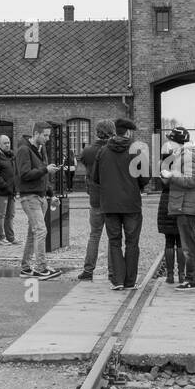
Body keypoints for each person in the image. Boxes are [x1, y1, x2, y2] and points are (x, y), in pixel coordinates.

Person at [92, 118, 150, 289]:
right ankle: (130, 281)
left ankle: (118, 280)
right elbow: (145, 178)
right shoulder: (136, 151)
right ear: (129, 133)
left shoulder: (102, 152)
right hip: (131, 204)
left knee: (114, 241)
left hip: (109, 204)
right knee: (132, 242)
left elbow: (95, 178)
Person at [15, 122, 59, 278]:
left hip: (40, 196)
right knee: (41, 230)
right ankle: (40, 268)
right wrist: (45, 169)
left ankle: (26, 267)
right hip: (29, 197)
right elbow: (24, 174)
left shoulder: (40, 149)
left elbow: (43, 176)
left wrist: (51, 194)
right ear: (36, 133)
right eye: (45, 135)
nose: (47, 138)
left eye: (49, 135)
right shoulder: (23, 150)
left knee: (32, 233)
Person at [165, 127, 195, 290]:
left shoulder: (187, 156)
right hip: (184, 204)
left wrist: (171, 175)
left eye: (170, 140)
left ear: (176, 141)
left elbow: (192, 181)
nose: (168, 143)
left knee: (188, 244)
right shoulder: (183, 155)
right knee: (190, 241)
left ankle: (191, 279)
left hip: (186, 205)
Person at [77, 119, 116, 281]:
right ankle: (113, 272)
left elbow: (85, 172)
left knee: (94, 235)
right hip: (112, 199)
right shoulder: (113, 149)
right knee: (113, 238)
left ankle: (88, 270)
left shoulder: (87, 151)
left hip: (95, 198)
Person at [156, 140, 180, 283]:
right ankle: (182, 275)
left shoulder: (162, 165)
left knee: (169, 241)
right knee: (181, 241)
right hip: (179, 199)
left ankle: (170, 275)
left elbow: (162, 184)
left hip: (165, 200)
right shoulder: (181, 165)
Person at [0, 134, 18, 246]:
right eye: (5, 143)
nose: (7, 145)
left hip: (10, 192)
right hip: (0, 192)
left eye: (8, 142)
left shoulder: (10, 155)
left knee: (10, 215)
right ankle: (0, 238)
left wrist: (14, 188)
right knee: (0, 215)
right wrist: (6, 186)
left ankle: (10, 237)